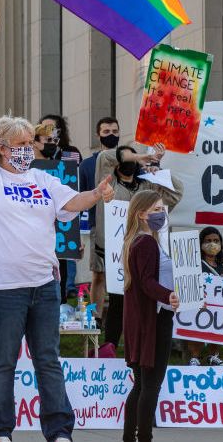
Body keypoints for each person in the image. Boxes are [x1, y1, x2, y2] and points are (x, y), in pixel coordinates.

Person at [0, 68, 114, 442]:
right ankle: (0, 432)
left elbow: (71, 202)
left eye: (31, 143)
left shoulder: (43, 180)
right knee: (3, 362)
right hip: (2, 287)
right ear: (1, 147)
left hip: (43, 286)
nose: (28, 149)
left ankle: (59, 431)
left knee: (47, 359)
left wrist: (95, 195)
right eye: (21, 143)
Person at [93, 143, 182, 355]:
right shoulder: (109, 183)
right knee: (117, 299)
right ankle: (111, 345)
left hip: (144, 252)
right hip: (116, 253)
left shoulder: (147, 187)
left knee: (143, 299)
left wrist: (157, 171)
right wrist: (138, 156)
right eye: (128, 159)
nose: (133, 163)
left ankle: (142, 345)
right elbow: (105, 157)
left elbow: (176, 193)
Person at [121, 191, 181, 442]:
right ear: (141, 214)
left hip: (145, 320)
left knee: (142, 385)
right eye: (156, 209)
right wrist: (168, 296)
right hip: (154, 321)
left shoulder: (140, 241)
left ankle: (130, 437)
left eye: (162, 209)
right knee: (151, 386)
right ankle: (144, 436)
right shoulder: (145, 243)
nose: (161, 213)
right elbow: (147, 283)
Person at [31, 123, 80, 304]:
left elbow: (70, 203)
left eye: (55, 140)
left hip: (60, 243)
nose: (53, 144)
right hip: (35, 245)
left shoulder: (61, 168)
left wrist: (74, 242)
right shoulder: (25, 171)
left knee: (58, 296)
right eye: (48, 140)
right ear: (34, 143)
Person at [79, 117, 120, 326]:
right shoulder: (87, 165)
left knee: (123, 277)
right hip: (99, 226)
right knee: (99, 274)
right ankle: (95, 318)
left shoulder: (127, 160)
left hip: (124, 226)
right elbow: (80, 198)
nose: (111, 135)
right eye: (106, 131)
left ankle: (118, 318)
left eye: (114, 130)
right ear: (98, 135)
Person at [185, 227, 223, 366]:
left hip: (216, 308)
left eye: (216, 241)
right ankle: (195, 357)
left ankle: (214, 355)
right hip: (198, 305)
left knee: (217, 326)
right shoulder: (194, 265)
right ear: (200, 244)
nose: (212, 244)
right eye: (208, 241)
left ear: (221, 244)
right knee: (196, 325)